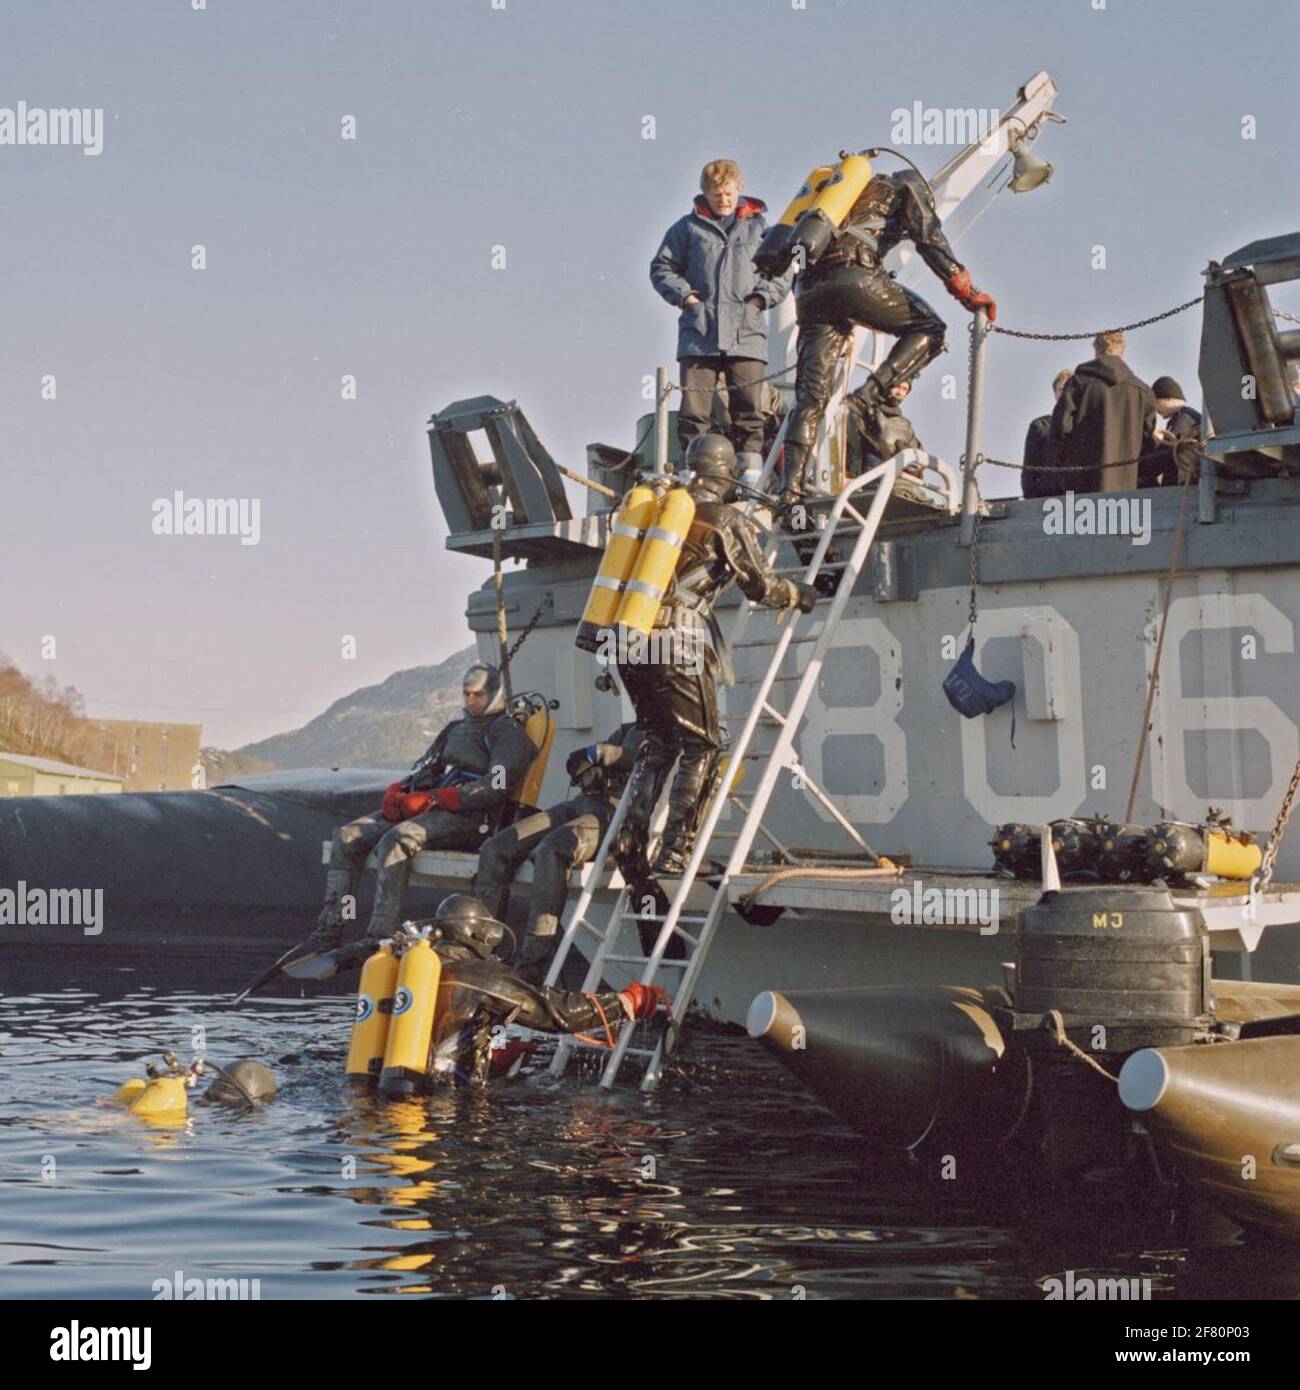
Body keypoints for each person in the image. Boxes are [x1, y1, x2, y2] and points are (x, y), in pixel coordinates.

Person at [618, 434, 817, 878]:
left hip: (629, 637)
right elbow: (760, 587)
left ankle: (630, 842)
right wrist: (799, 594)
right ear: (725, 473)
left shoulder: (660, 512)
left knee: (657, 743)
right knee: (703, 744)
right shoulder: (723, 517)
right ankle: (676, 851)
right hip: (680, 640)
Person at [775, 168, 995, 520]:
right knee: (930, 329)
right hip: (855, 276)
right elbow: (929, 237)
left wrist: (835, 316)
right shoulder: (906, 188)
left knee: (810, 398)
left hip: (809, 293)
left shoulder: (836, 201)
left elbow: (796, 258)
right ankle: (866, 400)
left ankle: (790, 496)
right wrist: (965, 290)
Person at [310, 662, 536, 950]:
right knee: (347, 836)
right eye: (467, 694)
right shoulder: (455, 730)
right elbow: (427, 768)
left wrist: (439, 799)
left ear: (494, 694)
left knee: (397, 840)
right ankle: (332, 926)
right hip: (435, 808)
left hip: (471, 819)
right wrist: (402, 792)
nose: (471, 700)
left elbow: (496, 786)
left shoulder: (506, 733)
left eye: (478, 695)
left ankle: (380, 934)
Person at [416, 895, 668, 1087]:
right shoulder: (479, 974)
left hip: (398, 1088)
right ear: (476, 934)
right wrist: (623, 1002)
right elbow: (557, 1012)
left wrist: (491, 1060)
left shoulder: (414, 965)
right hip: (450, 1105)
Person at [650, 159, 795, 485]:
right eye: (716, 195)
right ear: (705, 193)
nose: (723, 200)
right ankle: (691, 475)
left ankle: (752, 477)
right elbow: (661, 268)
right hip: (699, 334)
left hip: (747, 333)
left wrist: (760, 299)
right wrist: (687, 298)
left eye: (728, 194)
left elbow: (783, 270)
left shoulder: (761, 229)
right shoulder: (685, 230)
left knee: (749, 409)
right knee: (694, 410)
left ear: (739, 188)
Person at [473, 723, 643, 982]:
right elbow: (601, 760)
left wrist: (597, 753)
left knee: (553, 849)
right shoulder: (628, 728)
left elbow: (642, 760)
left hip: (617, 814)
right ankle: (481, 956)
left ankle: (531, 968)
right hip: (584, 802)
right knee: (495, 848)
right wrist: (587, 766)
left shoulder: (666, 729)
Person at [1050, 332, 1156, 492]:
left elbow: (1060, 429)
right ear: (1123, 352)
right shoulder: (1143, 391)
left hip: (1080, 484)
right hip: (1125, 485)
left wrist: (1063, 466)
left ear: (1096, 351)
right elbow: (1148, 441)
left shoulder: (1078, 383)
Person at [845, 377, 925, 479]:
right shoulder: (867, 413)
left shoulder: (905, 425)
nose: (899, 393)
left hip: (898, 480)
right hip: (869, 476)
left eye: (904, 389)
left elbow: (918, 458)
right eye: (897, 387)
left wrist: (904, 458)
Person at [1141, 375, 1203, 486]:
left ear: (1168, 397)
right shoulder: (1184, 417)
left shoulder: (1183, 418)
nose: (1155, 409)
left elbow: (1168, 454)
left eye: (1156, 402)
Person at [1022, 370, 1073, 498]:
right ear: (1055, 394)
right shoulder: (1038, 427)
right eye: (1061, 389)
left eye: (1069, 389)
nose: (1065, 393)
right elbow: (1029, 473)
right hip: (1046, 500)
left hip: (1079, 501)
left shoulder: (1085, 426)